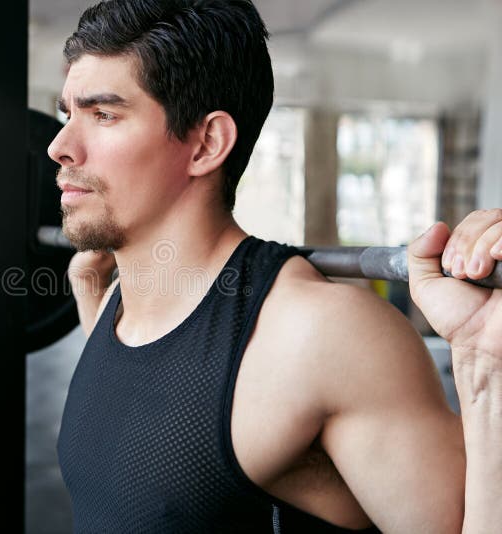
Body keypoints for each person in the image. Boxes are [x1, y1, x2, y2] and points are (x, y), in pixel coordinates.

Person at [49, 1, 502, 532]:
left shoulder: (321, 334)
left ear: (206, 143)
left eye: (104, 115)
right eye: (68, 115)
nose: (60, 147)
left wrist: (484, 369)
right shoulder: (114, 302)